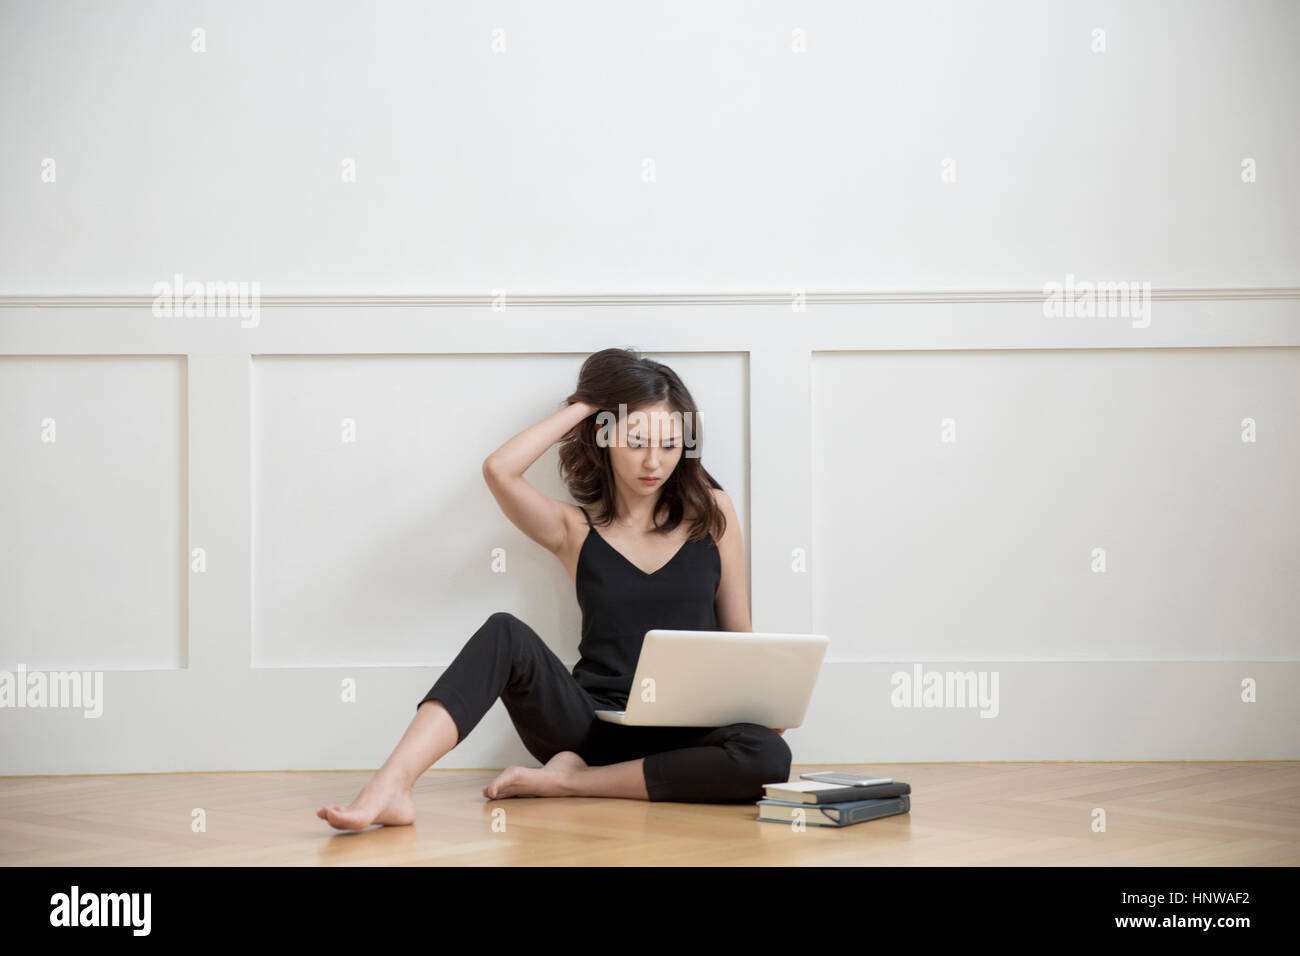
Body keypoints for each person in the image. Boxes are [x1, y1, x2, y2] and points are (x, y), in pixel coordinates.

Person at [318, 347, 791, 829]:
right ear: (603, 437)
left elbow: (739, 633)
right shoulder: (573, 529)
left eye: (670, 445)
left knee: (769, 756)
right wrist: (593, 402)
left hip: (689, 732)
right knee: (504, 632)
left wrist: (762, 700)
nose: (654, 461)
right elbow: (499, 470)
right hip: (590, 727)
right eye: (636, 440)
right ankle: (391, 787)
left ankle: (572, 782)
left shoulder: (713, 514)